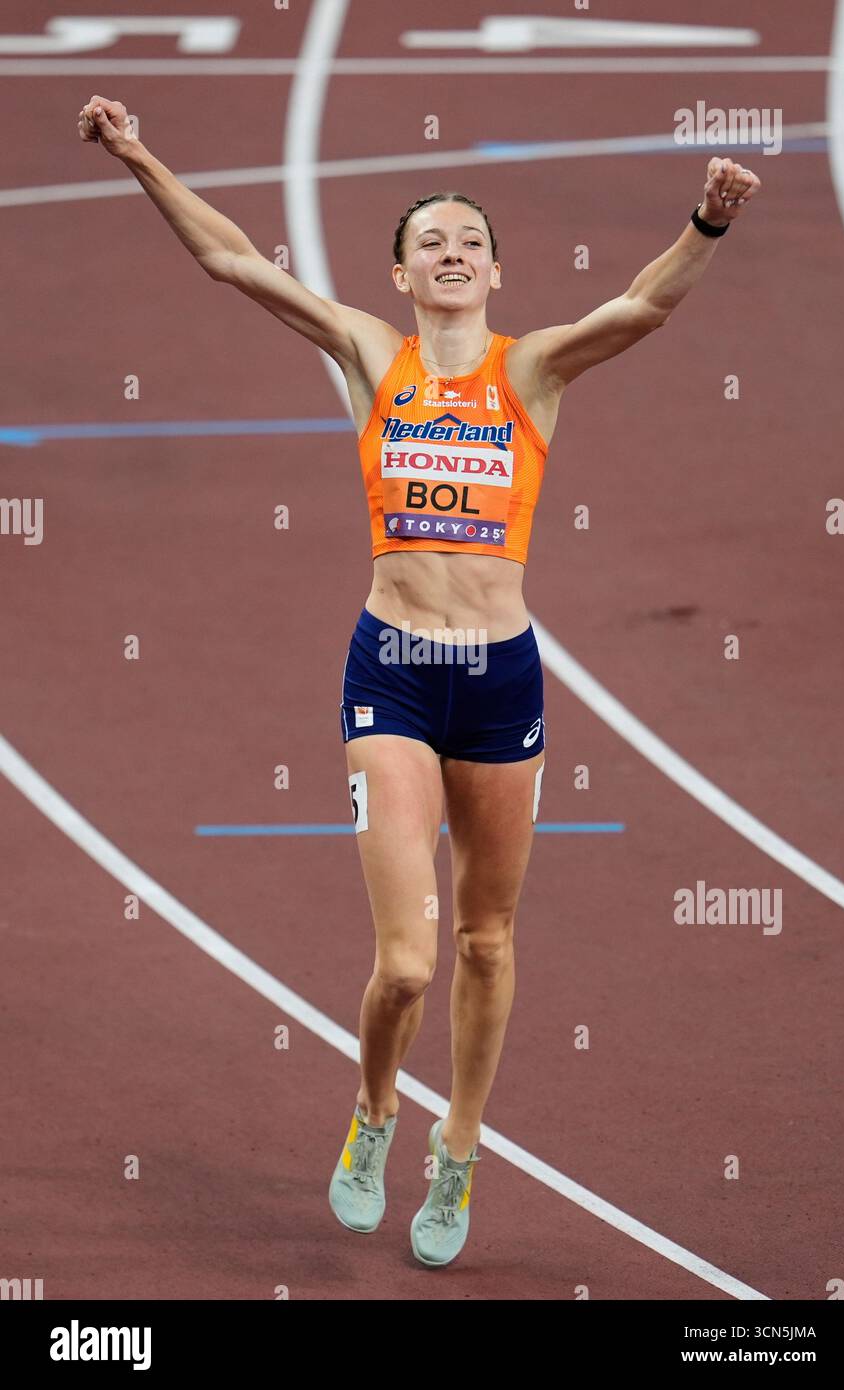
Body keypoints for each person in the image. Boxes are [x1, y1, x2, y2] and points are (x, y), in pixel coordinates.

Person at [78, 95, 761, 1268]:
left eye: (469, 241)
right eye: (430, 241)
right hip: (389, 672)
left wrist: (704, 221)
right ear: (399, 274)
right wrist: (137, 151)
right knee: (406, 960)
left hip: (498, 681)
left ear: (495, 272)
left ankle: (459, 1143)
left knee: (486, 943)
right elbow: (231, 261)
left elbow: (640, 306)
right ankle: (376, 1109)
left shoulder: (531, 368)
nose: (451, 253)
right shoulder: (368, 355)